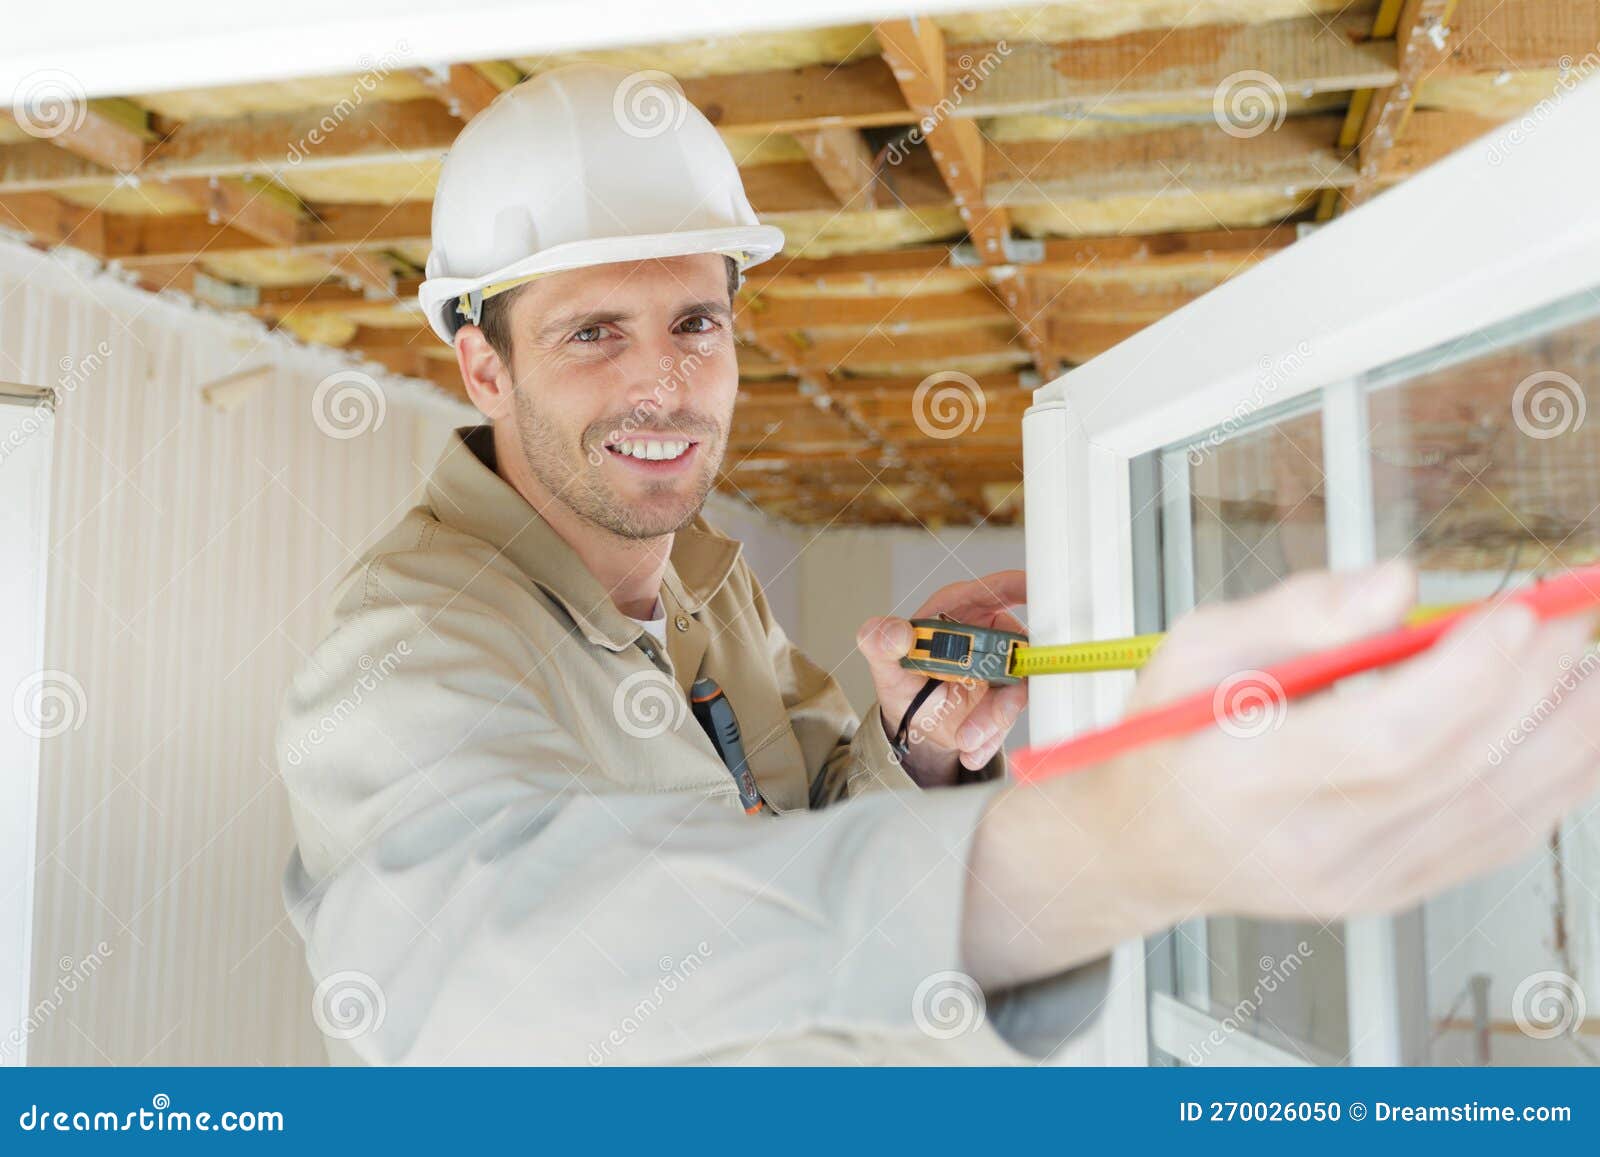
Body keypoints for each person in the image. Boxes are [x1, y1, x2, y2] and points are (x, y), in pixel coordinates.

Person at [277, 64, 1600, 1064]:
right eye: (591, 334)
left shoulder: (702, 588)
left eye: (695, 321)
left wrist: (914, 753)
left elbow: (793, 829)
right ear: (481, 363)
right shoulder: (414, 641)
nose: (665, 383)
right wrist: (1109, 846)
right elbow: (468, 970)